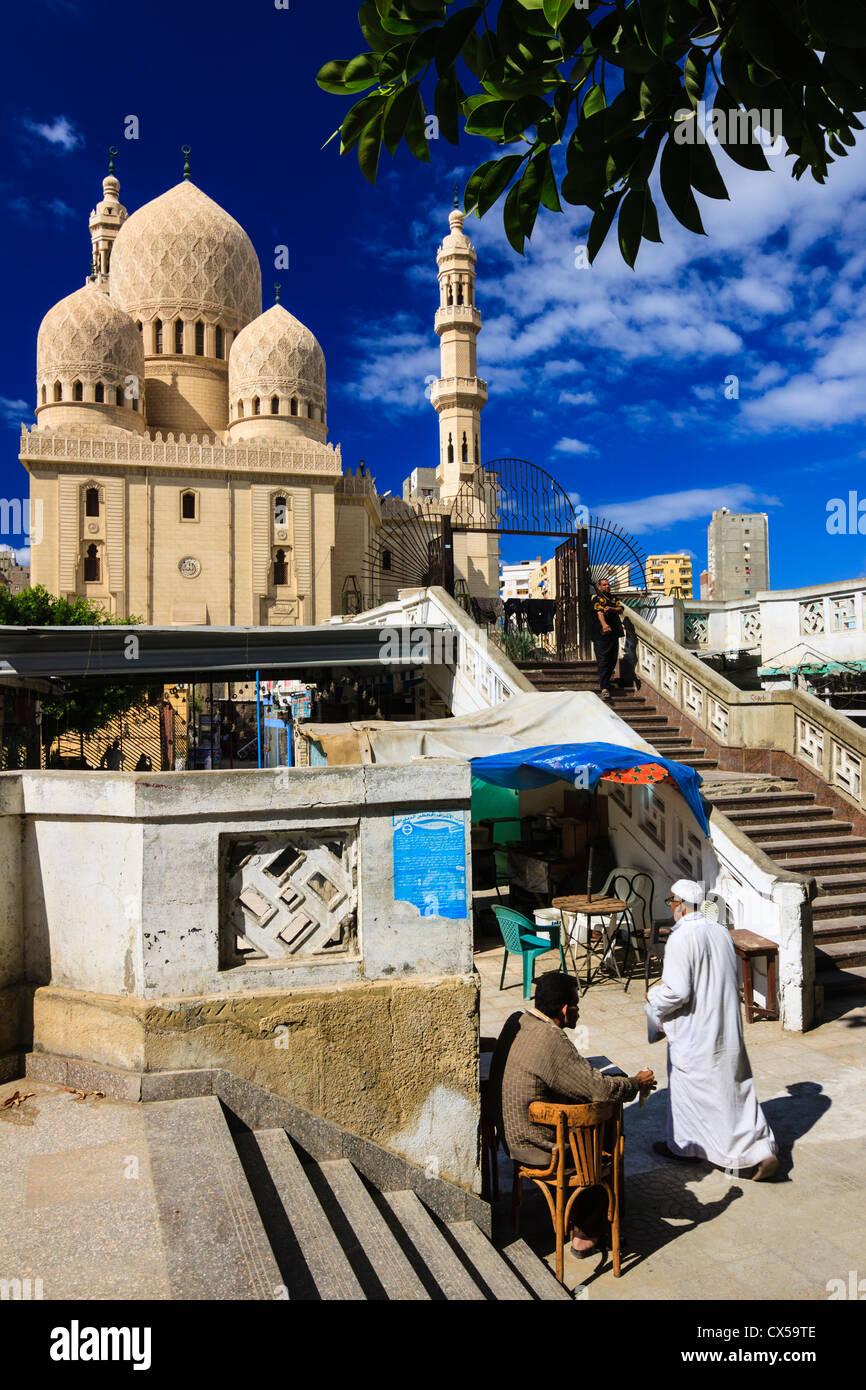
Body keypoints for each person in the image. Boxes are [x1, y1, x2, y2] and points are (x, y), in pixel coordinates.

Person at [490, 971, 656, 1257]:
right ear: (566, 1009)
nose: (578, 1012)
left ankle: (582, 1213)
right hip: (540, 1148)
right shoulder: (552, 1040)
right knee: (607, 1131)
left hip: (511, 1138)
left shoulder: (516, 1021)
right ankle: (588, 1230)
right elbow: (599, 1089)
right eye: (577, 1006)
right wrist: (635, 1083)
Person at [647, 879, 779, 1180]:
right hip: (724, 1028)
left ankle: (694, 1149)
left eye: (671, 902)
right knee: (733, 1091)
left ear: (679, 903)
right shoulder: (719, 931)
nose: (671, 908)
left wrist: (653, 997)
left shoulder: (681, 938)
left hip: (696, 1032)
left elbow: (677, 992)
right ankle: (759, 1149)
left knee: (690, 1092)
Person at [591, 577, 624, 701]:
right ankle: (604, 688)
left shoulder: (613, 599)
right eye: (604, 585)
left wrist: (611, 609)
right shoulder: (596, 599)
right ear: (599, 587)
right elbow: (599, 612)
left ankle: (606, 682)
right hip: (601, 635)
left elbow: (620, 609)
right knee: (603, 660)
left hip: (613, 634)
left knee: (612, 660)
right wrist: (604, 624)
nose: (607, 586)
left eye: (608, 584)